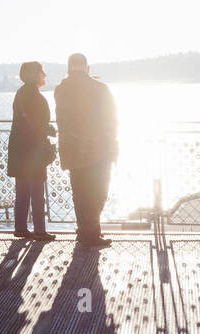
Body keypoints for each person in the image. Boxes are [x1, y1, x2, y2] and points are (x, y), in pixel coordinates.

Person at [54, 53, 118, 247]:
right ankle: (91, 233)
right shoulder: (100, 88)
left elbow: (63, 120)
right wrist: (113, 145)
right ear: (88, 68)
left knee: (80, 193)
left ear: (68, 68)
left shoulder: (60, 89)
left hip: (72, 149)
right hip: (98, 148)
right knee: (98, 192)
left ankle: (84, 231)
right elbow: (111, 119)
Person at [8, 61, 57, 241]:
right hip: (33, 149)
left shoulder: (20, 93)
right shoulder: (36, 96)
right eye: (42, 72)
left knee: (22, 190)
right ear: (36, 74)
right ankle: (40, 230)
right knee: (37, 191)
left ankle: (20, 227)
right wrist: (50, 130)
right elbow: (38, 124)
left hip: (19, 148)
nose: (44, 75)